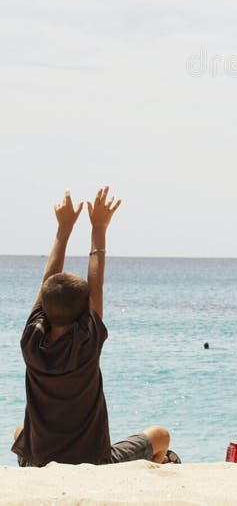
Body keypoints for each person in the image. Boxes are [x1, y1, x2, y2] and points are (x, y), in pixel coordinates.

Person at [12, 187, 180, 467]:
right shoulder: (86, 341)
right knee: (161, 436)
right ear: (84, 314)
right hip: (94, 461)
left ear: (44, 308)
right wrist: (99, 228)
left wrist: (63, 229)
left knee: (20, 432)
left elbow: (48, 280)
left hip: (40, 460)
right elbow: (97, 285)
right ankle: (160, 465)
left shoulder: (30, 340)